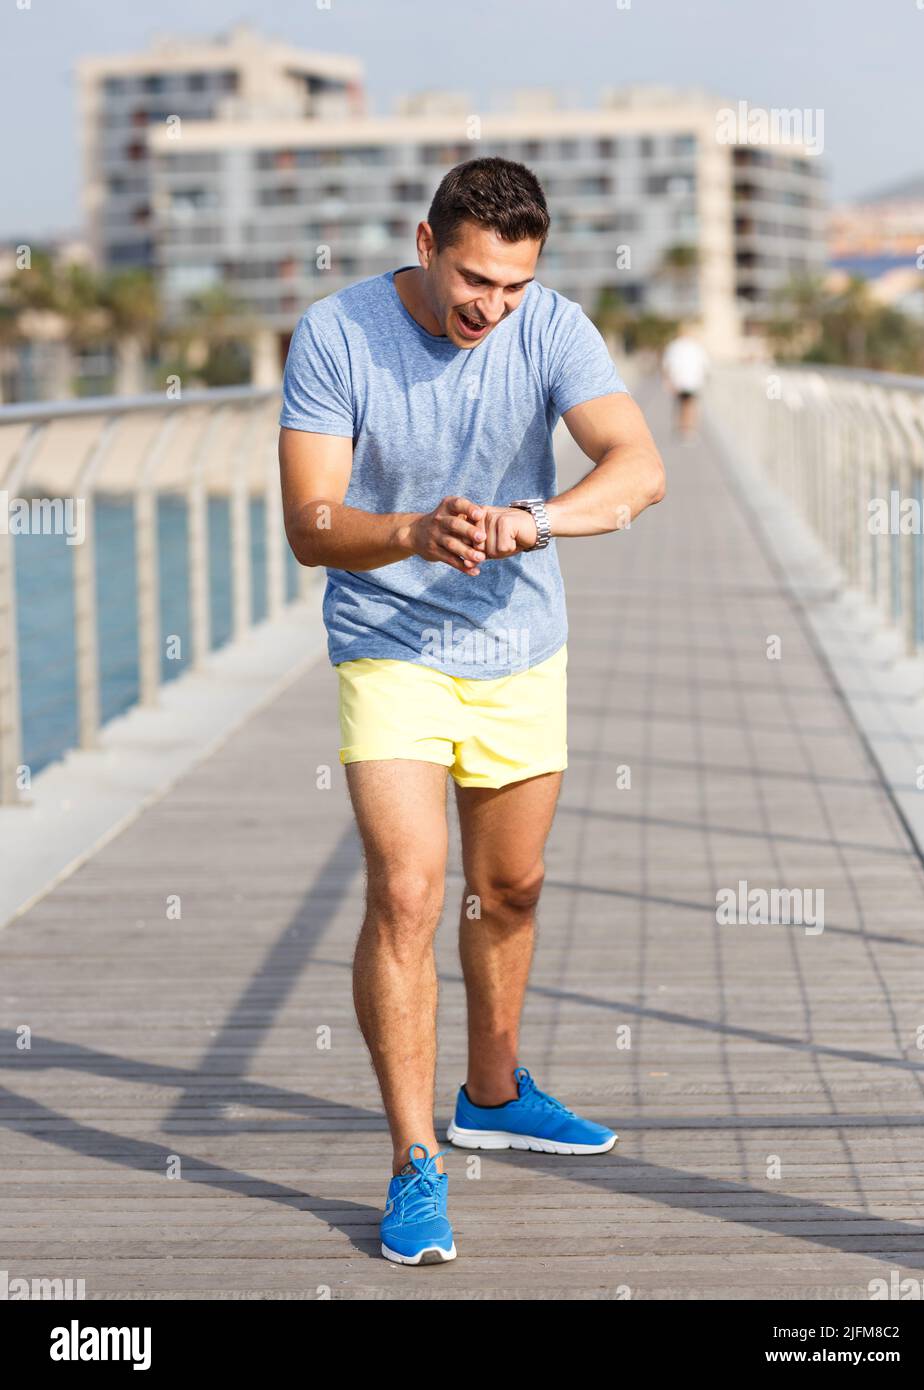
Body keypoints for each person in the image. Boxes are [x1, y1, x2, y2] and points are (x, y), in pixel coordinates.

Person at [278, 157, 665, 1266]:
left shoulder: (549, 327)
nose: (490, 307)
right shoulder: (338, 333)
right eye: (473, 279)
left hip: (517, 646)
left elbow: (636, 468)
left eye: (511, 285)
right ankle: (412, 1162)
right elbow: (312, 521)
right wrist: (407, 532)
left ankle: (491, 1091)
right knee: (407, 889)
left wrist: (534, 522)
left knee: (511, 886)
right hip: (388, 641)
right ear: (425, 243)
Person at [662, 326, 710, 440]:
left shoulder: (674, 346)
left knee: (681, 405)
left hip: (679, 381)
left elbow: (666, 365)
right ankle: (688, 428)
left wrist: (667, 380)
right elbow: (705, 365)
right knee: (690, 405)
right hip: (692, 381)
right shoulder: (696, 346)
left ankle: (683, 428)